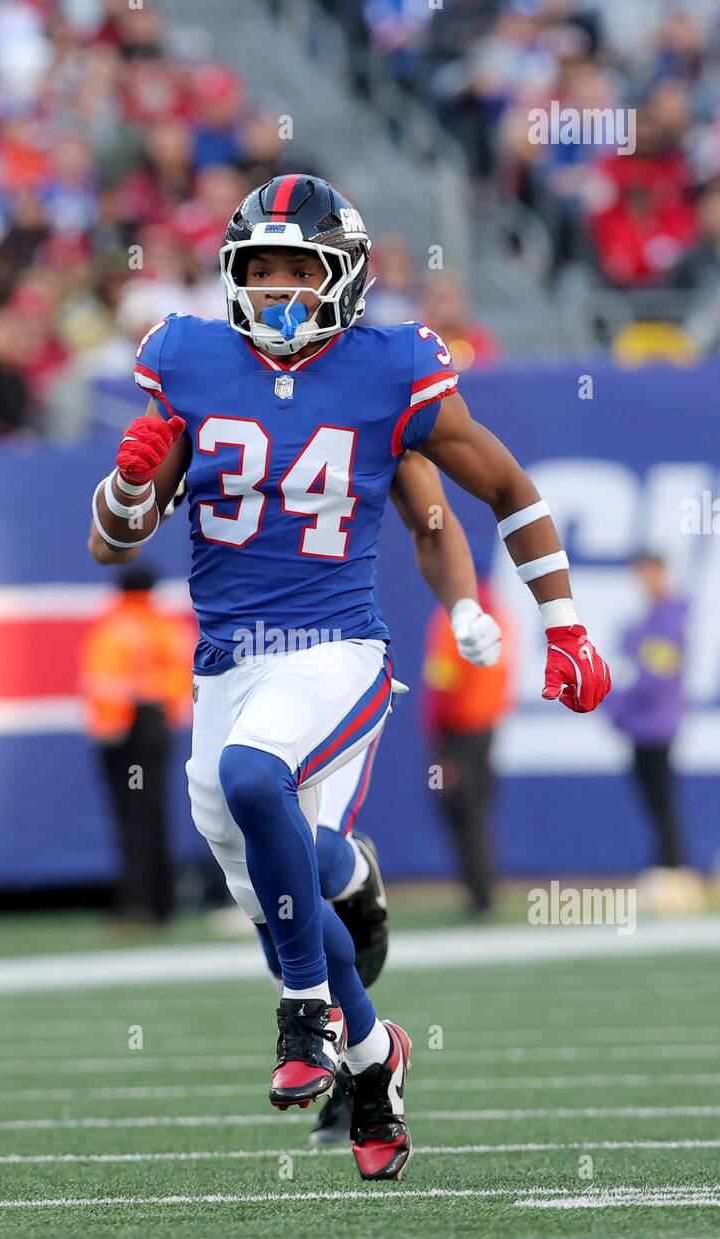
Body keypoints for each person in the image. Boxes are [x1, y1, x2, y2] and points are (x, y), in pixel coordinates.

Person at [87, 174, 611, 1180]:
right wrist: (124, 482)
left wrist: (562, 624)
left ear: (344, 278)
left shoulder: (387, 373)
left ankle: (302, 1016)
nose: (278, 290)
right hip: (226, 664)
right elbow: (112, 542)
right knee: (285, 884)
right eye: (261, 271)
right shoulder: (186, 361)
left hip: (333, 648)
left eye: (299, 271)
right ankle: (373, 1060)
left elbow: (493, 489)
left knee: (253, 783)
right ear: (232, 277)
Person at [81, 564, 194, 927]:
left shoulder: (118, 626)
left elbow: (105, 681)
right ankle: (162, 901)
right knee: (155, 813)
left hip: (126, 731)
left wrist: (110, 729)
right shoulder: (168, 627)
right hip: (158, 726)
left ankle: (137, 904)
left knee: (131, 818)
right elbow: (185, 676)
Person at [422, 579, 513, 916]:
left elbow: (442, 679)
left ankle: (479, 890)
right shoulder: (500, 615)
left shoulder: (452, 619)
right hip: (485, 728)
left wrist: (434, 728)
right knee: (476, 806)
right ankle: (483, 887)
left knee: (454, 803)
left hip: (455, 732)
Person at [607, 552, 687, 873]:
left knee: (661, 800)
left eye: (648, 573)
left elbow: (653, 678)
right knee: (654, 801)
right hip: (643, 725)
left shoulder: (666, 622)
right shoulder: (649, 620)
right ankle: (667, 863)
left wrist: (616, 708)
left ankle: (672, 867)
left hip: (656, 725)